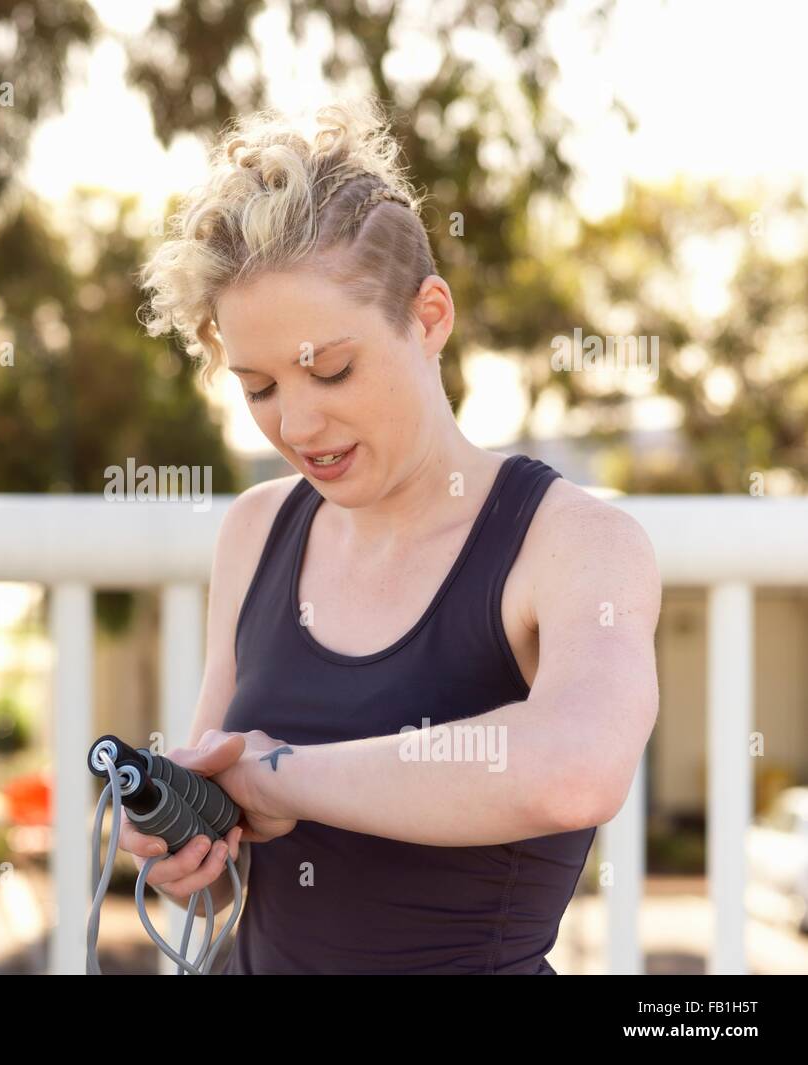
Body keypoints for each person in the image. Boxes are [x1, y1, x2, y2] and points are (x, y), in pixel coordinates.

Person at [119, 96, 662, 974]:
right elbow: (232, 868)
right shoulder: (256, 532)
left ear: (430, 317)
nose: (296, 424)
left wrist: (278, 774)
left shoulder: (577, 544)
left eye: (329, 369)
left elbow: (576, 768)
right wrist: (197, 844)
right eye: (258, 388)